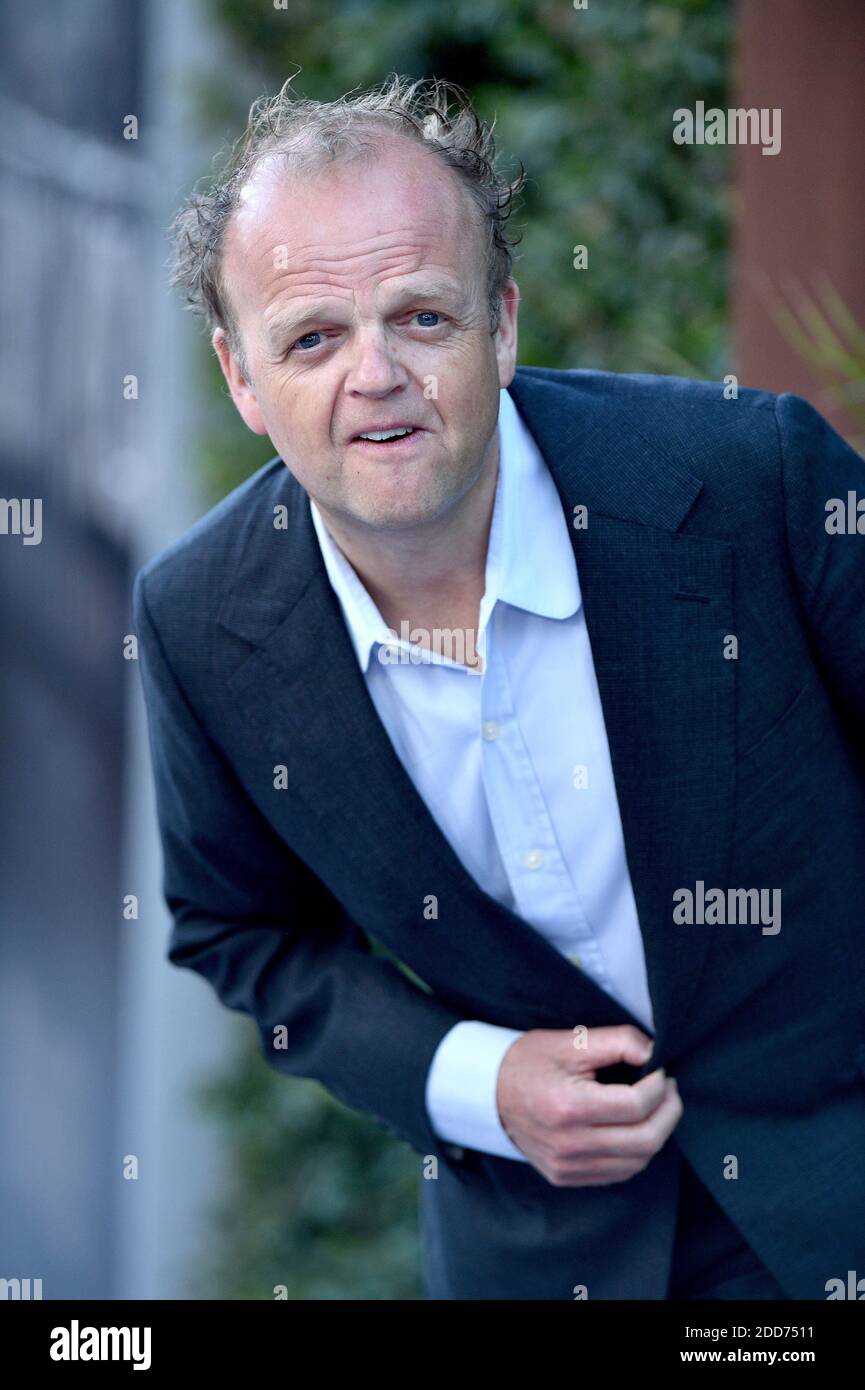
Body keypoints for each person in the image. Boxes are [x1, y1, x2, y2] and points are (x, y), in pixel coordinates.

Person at [134, 75, 865, 1300]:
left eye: (420, 316)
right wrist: (473, 1080)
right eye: (311, 336)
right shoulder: (198, 620)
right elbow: (237, 930)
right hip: (542, 1257)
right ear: (241, 379)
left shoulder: (750, 474)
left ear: (504, 321)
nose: (373, 375)